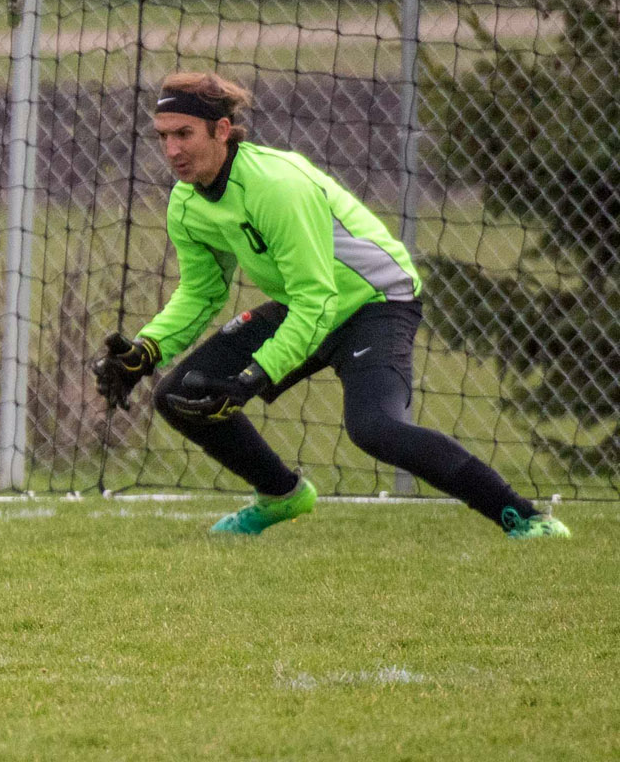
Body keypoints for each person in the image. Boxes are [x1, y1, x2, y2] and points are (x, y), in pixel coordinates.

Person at [93, 71, 570, 539]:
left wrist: (255, 376)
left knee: (375, 428)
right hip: (306, 303)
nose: (172, 150)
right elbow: (203, 292)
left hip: (374, 302)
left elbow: (317, 297)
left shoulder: (276, 188)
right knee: (179, 395)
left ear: (221, 131)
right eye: (163, 136)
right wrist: (148, 349)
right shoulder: (186, 204)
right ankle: (281, 495)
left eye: (184, 134)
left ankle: (525, 518)